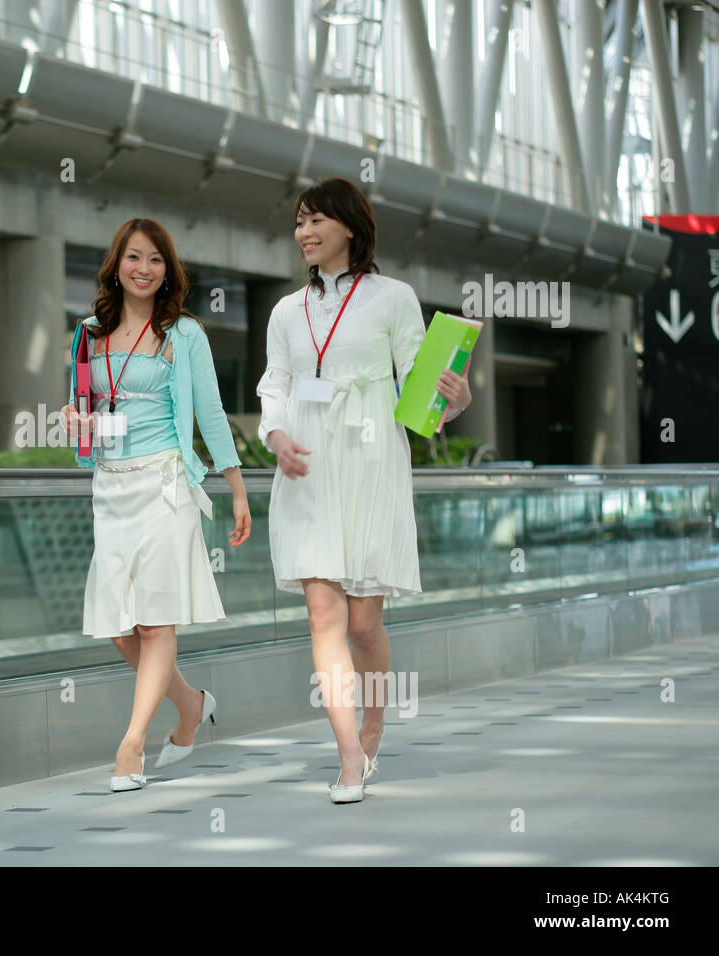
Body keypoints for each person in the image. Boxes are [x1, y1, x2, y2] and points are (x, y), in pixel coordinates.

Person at [255, 178, 472, 804]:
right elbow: (276, 382)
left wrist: (454, 400)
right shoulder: (286, 311)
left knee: (363, 622)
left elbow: (422, 391)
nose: (304, 233)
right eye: (298, 222)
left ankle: (376, 717)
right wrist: (274, 435)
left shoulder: (395, 298)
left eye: (315, 220)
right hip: (307, 463)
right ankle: (349, 755)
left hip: (372, 457)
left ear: (349, 225)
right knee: (323, 612)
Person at [59, 217, 251, 792]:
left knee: (153, 619)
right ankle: (190, 705)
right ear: (116, 264)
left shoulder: (184, 333)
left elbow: (211, 416)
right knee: (121, 630)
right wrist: (72, 420)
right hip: (111, 487)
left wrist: (237, 489)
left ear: (168, 270)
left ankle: (131, 745)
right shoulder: (87, 334)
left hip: (167, 484)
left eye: (156, 260)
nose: (144, 269)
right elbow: (81, 409)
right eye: (134, 258)